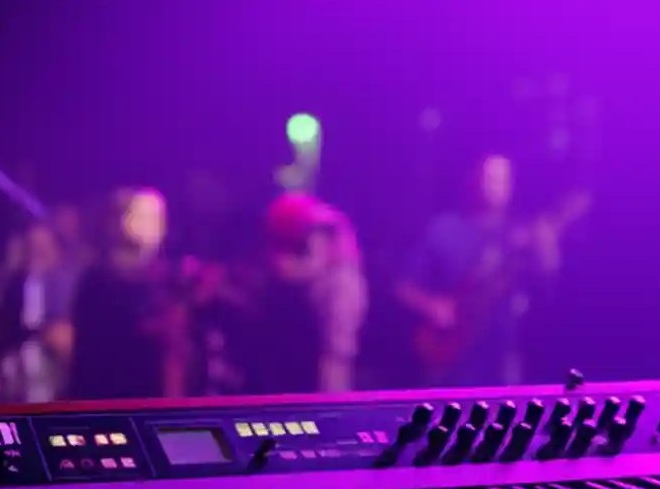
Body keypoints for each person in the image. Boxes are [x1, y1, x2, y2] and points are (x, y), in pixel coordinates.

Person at [395, 154, 579, 387]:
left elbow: (547, 282)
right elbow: (404, 285)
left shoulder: (521, 233)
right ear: (474, 180)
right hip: (451, 356)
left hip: (500, 358)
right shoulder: (444, 229)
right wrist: (434, 306)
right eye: (488, 177)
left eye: (501, 179)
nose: (492, 186)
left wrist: (547, 247)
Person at [233, 192, 368, 394]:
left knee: (335, 359)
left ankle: (333, 411)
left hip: (339, 295)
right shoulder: (313, 225)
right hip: (330, 297)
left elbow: (306, 268)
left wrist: (278, 264)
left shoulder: (320, 225)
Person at [68, 187, 186, 400]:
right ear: (122, 220)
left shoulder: (164, 280)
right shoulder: (100, 279)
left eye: (159, 216)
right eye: (145, 216)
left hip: (151, 400)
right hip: (106, 398)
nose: (156, 224)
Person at [0, 221, 77, 403]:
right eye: (30, 246)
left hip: (52, 385)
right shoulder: (12, 286)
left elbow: (65, 337)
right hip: (13, 383)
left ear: (57, 250)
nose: (36, 253)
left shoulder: (69, 287)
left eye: (43, 247)